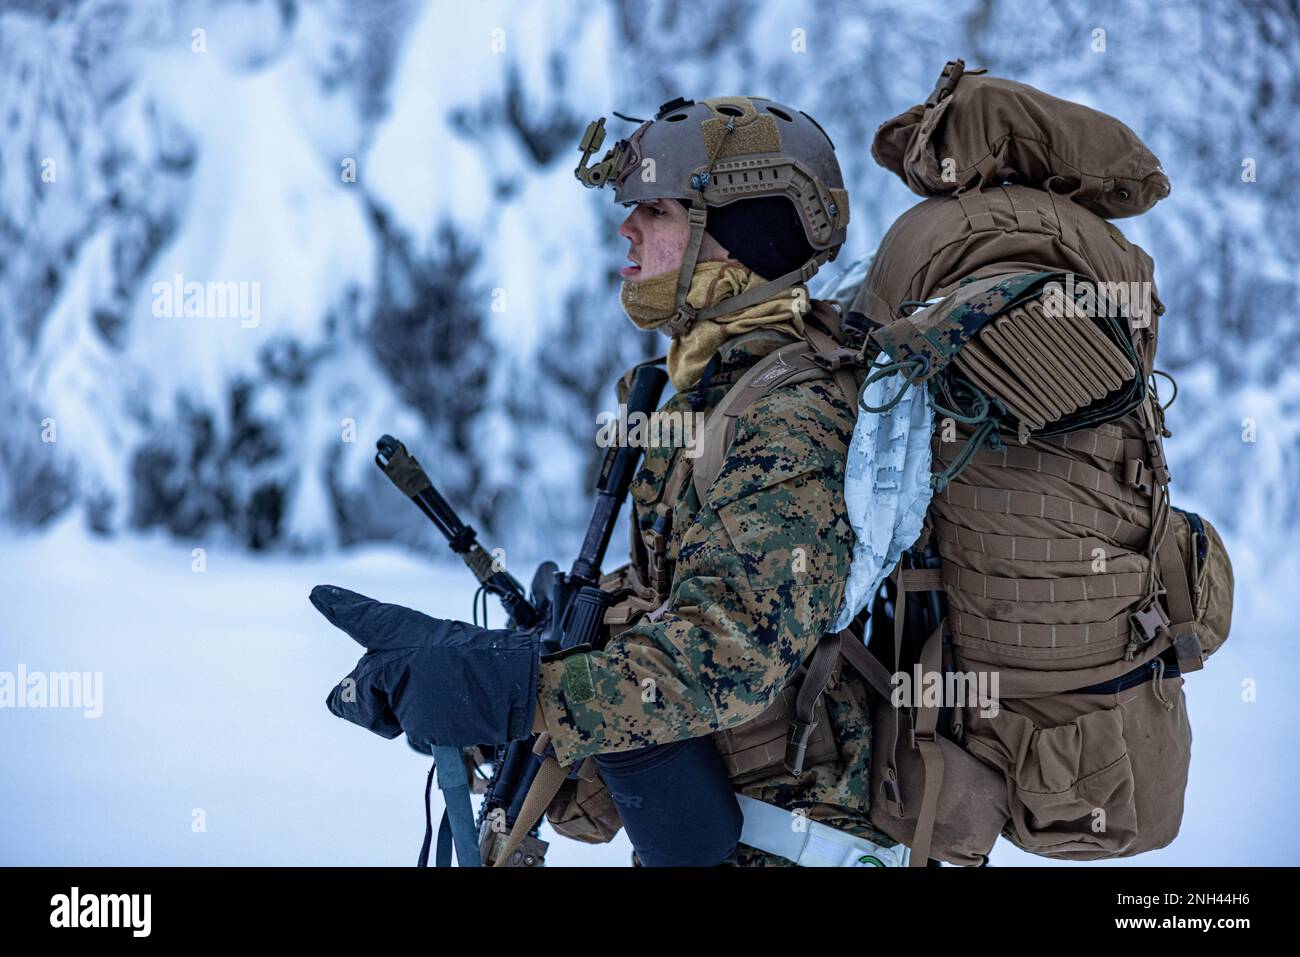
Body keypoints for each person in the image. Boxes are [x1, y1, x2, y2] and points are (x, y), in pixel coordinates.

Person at [311, 96, 898, 866]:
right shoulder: (712, 393)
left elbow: (731, 651)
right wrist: (496, 658)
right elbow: (677, 599)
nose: (627, 230)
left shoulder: (789, 415)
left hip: (799, 846)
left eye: (655, 210)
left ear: (736, 233)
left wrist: (522, 691)